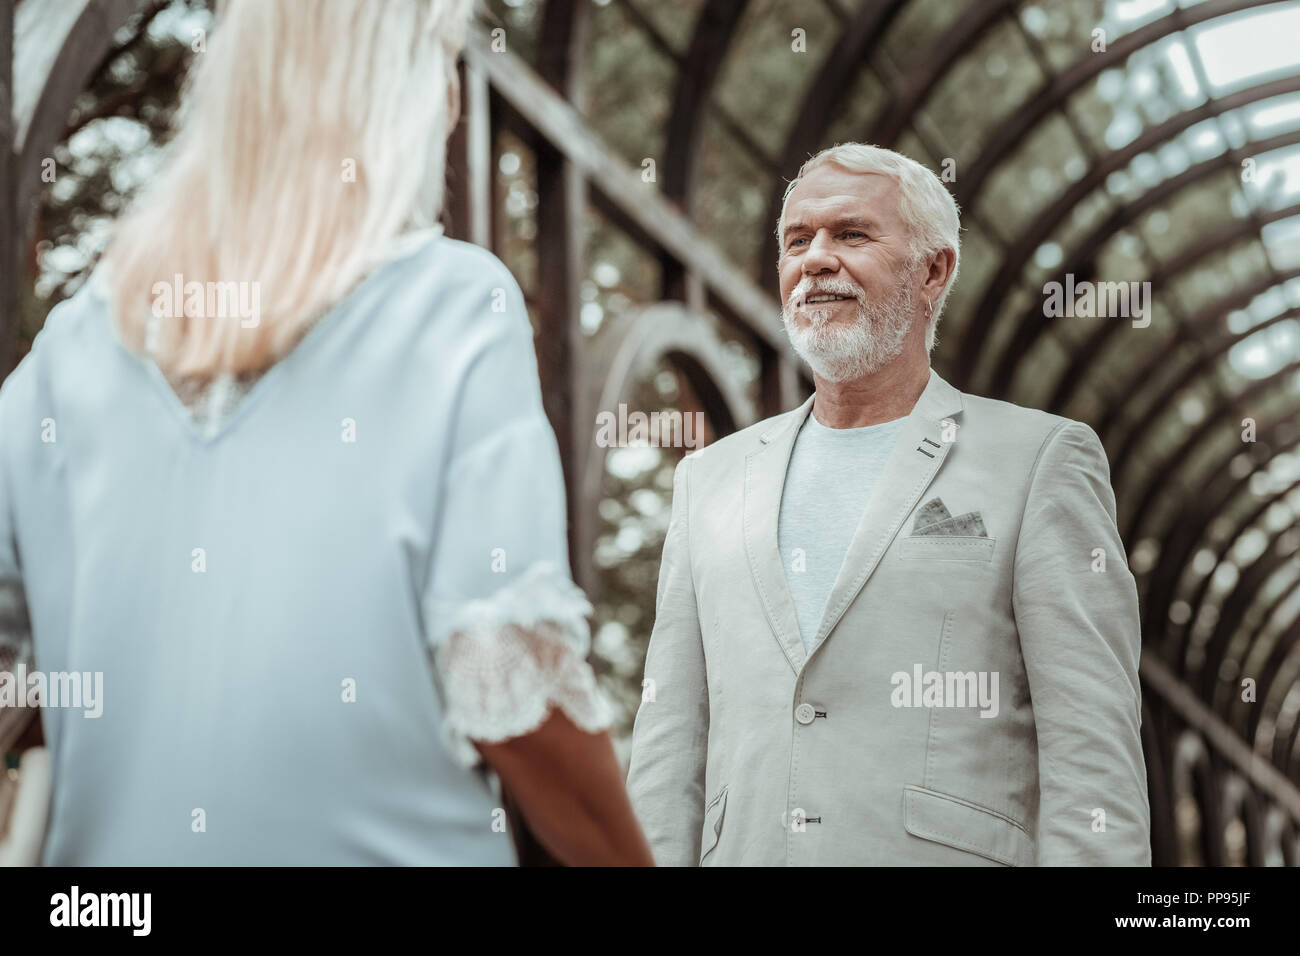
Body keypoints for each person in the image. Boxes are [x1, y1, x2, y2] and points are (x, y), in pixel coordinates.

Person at [0, 0, 651, 867]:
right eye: (446, 68)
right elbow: (510, 677)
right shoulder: (453, 307)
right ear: (400, 89)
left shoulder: (71, 350)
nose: (454, 104)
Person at [626, 142, 1151, 866]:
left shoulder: (1040, 461)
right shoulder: (708, 482)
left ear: (934, 270)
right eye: (796, 240)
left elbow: (1091, 752)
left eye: (850, 234)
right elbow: (667, 748)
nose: (815, 259)